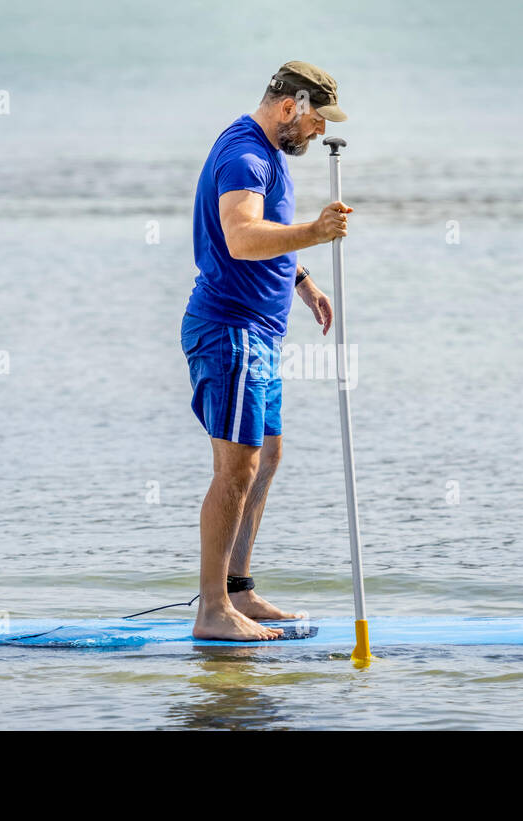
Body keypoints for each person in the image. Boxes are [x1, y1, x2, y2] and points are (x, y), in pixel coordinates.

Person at [180, 61, 352, 641]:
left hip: (260, 332)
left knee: (268, 453)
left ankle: (237, 591)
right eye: (314, 121)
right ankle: (211, 613)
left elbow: (268, 232)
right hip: (228, 330)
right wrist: (315, 232)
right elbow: (241, 236)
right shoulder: (245, 155)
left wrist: (303, 282)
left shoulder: (267, 154)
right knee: (236, 468)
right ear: (290, 107)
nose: (317, 133)